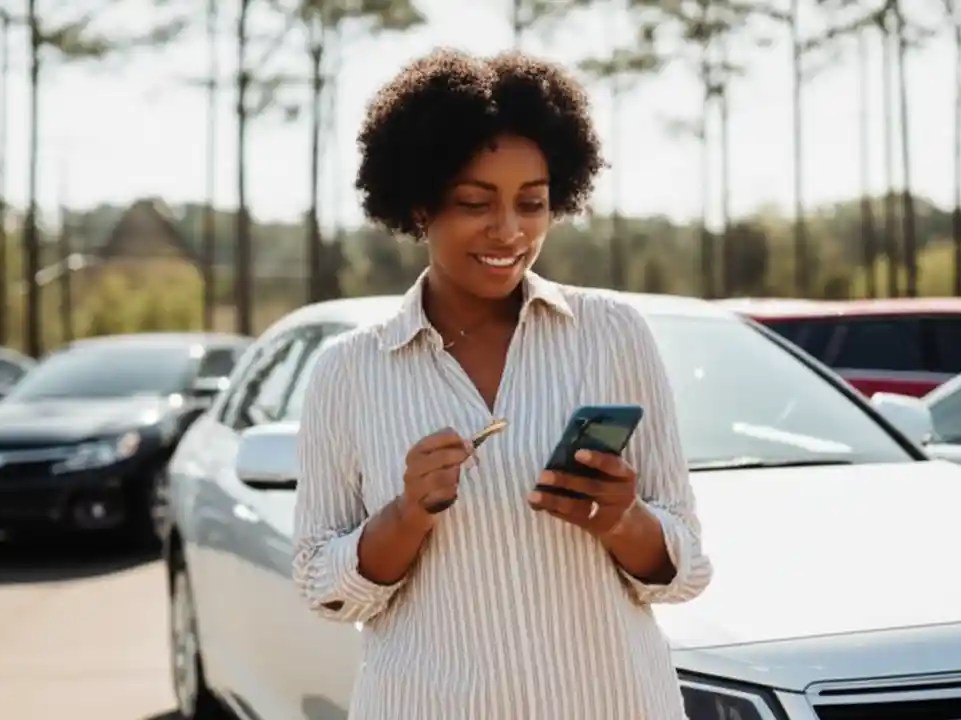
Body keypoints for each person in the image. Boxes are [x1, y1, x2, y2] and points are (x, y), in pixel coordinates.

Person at [292, 48, 712, 720]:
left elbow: (686, 568)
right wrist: (404, 517)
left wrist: (624, 521)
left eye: (532, 203)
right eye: (474, 203)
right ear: (422, 206)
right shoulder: (349, 371)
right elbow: (321, 586)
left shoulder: (613, 334)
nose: (510, 231)